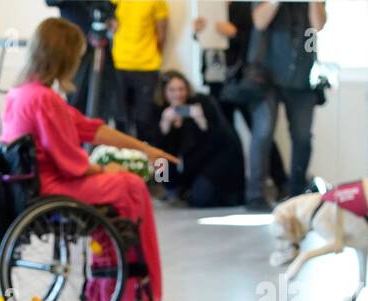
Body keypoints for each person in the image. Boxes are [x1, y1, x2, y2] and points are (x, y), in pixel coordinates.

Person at [1, 18, 177, 301]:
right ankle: (131, 294)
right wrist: (104, 169)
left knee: (122, 182)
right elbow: (71, 162)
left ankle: (108, 288)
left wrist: (144, 149)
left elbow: (89, 128)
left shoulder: (23, 93)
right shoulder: (45, 100)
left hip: (31, 182)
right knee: (131, 186)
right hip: (51, 187)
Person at [193, 2, 287, 196]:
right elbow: (206, 44)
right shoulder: (207, 8)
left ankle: (281, 182)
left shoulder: (244, 7)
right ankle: (235, 187)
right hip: (216, 81)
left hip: (243, 81)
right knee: (226, 138)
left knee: (261, 134)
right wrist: (197, 32)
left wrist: (233, 33)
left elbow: (256, 40)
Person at [245, 1, 328, 212]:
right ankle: (256, 195)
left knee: (302, 137)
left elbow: (318, 25)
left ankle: (296, 194)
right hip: (265, 76)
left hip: (302, 75)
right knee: (262, 134)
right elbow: (259, 22)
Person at [153, 70, 245, 207]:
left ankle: (189, 189)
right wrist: (165, 125)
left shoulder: (202, 103)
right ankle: (168, 189)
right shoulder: (160, 110)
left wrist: (201, 122)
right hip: (182, 164)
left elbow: (218, 139)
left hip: (209, 161)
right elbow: (159, 148)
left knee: (202, 198)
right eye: (172, 90)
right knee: (160, 158)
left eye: (181, 89)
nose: (177, 94)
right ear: (164, 92)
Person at [48, 0, 118, 120]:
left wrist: (111, 17)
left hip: (100, 49)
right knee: (75, 99)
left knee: (103, 101)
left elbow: (108, 10)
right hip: (73, 51)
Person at [111, 0, 169, 142]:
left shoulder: (157, 2)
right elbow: (107, 16)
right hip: (119, 64)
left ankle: (145, 159)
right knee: (121, 119)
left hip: (146, 66)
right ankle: (122, 158)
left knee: (145, 120)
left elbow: (162, 35)